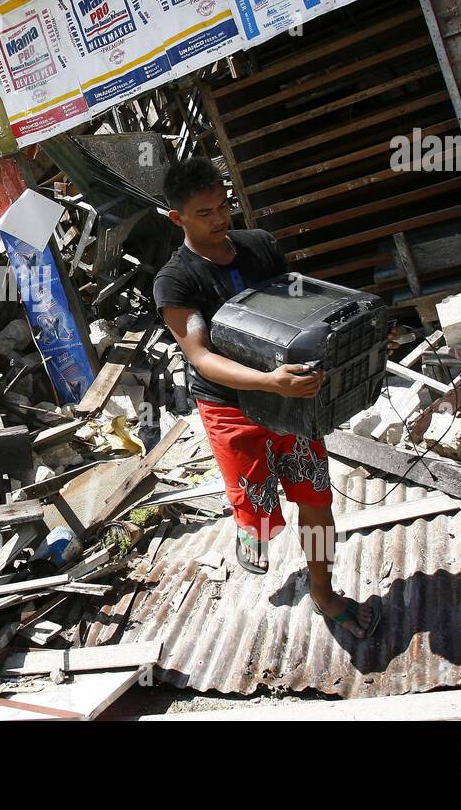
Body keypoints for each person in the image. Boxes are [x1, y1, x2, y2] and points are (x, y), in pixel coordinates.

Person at [152, 157, 380, 640]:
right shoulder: (176, 281)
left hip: (290, 404)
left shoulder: (260, 247)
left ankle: (323, 591)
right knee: (256, 507)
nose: (220, 220)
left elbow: (301, 312)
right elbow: (200, 355)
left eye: (223, 207)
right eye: (205, 213)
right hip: (228, 406)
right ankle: (249, 526)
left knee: (316, 501)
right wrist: (267, 381)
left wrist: (358, 342)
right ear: (178, 219)